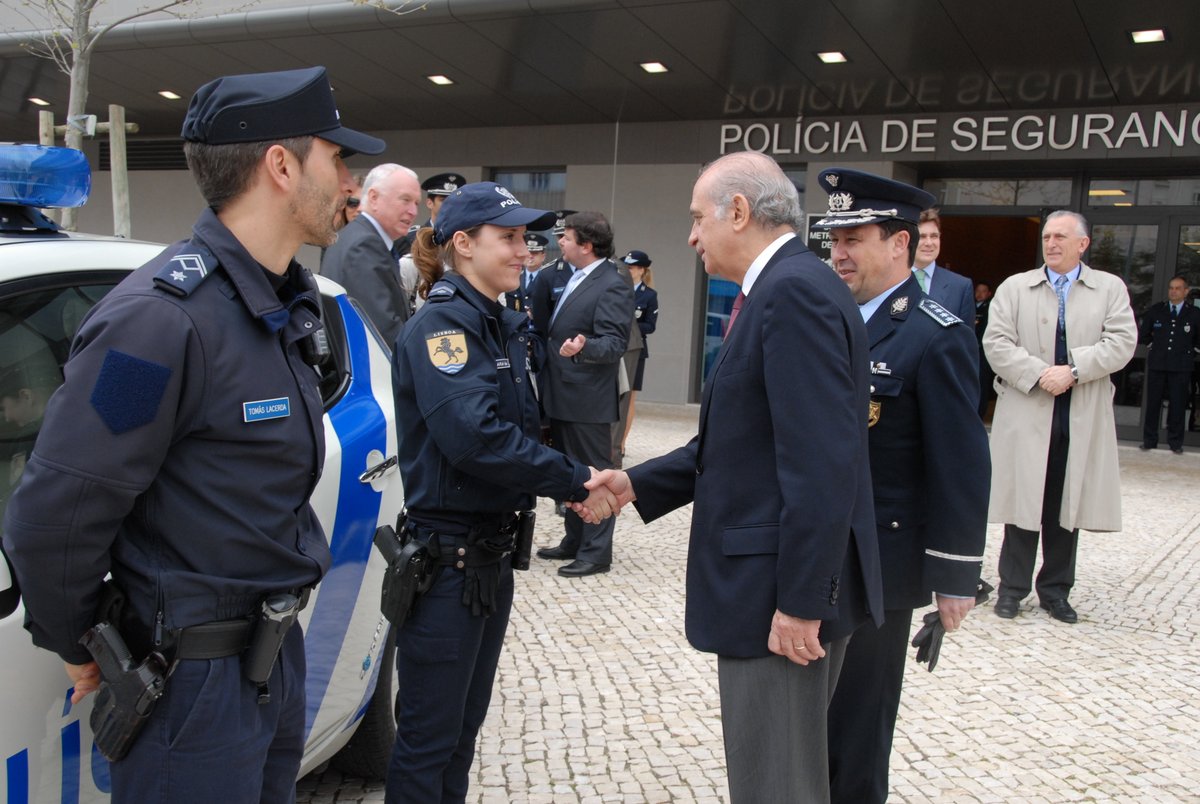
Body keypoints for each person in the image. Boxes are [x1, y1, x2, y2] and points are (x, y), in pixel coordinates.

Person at [2, 65, 382, 802]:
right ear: (280, 165)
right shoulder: (160, 321)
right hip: (193, 691)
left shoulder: (275, 304)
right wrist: (81, 641)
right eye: (337, 159)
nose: (350, 183)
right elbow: (58, 513)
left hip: (272, 664)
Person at [581, 151, 882, 803]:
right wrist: (638, 483)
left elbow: (821, 461)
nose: (690, 236)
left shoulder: (794, 291)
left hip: (777, 599)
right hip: (769, 588)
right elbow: (745, 440)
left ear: (739, 212)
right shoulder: (783, 287)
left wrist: (803, 600)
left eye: (697, 218)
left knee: (778, 786)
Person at [387, 181, 614, 803]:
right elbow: (476, 440)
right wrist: (573, 480)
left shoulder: (497, 323)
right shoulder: (446, 325)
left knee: (461, 735)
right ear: (463, 244)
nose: (525, 250)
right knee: (428, 740)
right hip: (448, 565)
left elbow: (511, 435)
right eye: (508, 237)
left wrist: (564, 481)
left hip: (486, 560)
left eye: (526, 237)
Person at [811, 168, 990, 804]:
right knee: (803, 721)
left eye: (855, 236)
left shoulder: (935, 333)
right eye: (835, 237)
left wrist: (955, 574)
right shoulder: (818, 317)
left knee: (857, 725)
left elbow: (961, 462)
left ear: (900, 245)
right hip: (811, 555)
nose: (838, 251)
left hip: (881, 564)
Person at [985, 210, 1137, 624]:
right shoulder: (1015, 287)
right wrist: (1039, 374)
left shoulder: (1109, 288)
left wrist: (1073, 371)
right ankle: (1011, 590)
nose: (1051, 243)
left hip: (1081, 410)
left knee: (1066, 503)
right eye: (1047, 236)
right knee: (1024, 500)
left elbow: (1122, 342)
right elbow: (996, 342)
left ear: (1083, 244)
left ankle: (1055, 591)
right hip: (1028, 407)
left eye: (1061, 237)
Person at [534, 211, 634, 578]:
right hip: (562, 393)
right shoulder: (575, 277)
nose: (559, 242)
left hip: (587, 398)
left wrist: (583, 346)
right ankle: (574, 541)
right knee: (571, 473)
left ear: (587, 246)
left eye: (567, 237)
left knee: (597, 474)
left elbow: (614, 344)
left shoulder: (612, 282)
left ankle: (596, 552)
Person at [321, 163, 421, 345]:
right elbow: (382, 330)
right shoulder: (364, 245)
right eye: (405, 200)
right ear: (373, 197)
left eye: (416, 203)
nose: (413, 211)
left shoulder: (354, 236)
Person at [1139, 275, 1200, 453]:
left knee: (1178, 404)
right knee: (1153, 404)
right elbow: (1144, 334)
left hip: (1181, 366)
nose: (1173, 291)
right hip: (1158, 364)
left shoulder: (1194, 314)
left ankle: (1175, 443)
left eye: (1178, 288)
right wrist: (1155, 347)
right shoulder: (1157, 310)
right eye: (1171, 288)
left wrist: (1191, 351)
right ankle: (1149, 441)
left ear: (1186, 291)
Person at [619, 250, 659, 456]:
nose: (627, 270)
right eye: (625, 266)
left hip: (636, 351)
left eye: (631, 267)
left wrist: (629, 326)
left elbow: (650, 326)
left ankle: (621, 443)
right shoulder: (616, 289)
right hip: (615, 349)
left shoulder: (649, 295)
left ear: (641, 270)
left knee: (629, 399)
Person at [913, 208, 975, 323]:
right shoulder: (889, 280)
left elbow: (965, 338)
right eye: (922, 236)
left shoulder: (960, 287)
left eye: (934, 236)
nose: (929, 243)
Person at [527, 209, 578, 337]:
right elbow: (542, 324)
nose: (562, 242)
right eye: (560, 236)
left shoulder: (603, 270)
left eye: (566, 237)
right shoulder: (548, 274)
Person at [504, 232, 547, 313]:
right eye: (529, 252)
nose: (530, 256)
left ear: (543, 256)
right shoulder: (514, 277)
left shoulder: (547, 278)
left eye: (535, 253)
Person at [975, 281, 995, 417]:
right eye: (977, 291)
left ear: (989, 294)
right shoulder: (970, 305)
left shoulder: (990, 308)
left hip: (983, 351)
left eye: (983, 291)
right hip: (970, 351)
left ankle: (980, 413)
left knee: (981, 382)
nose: (979, 294)